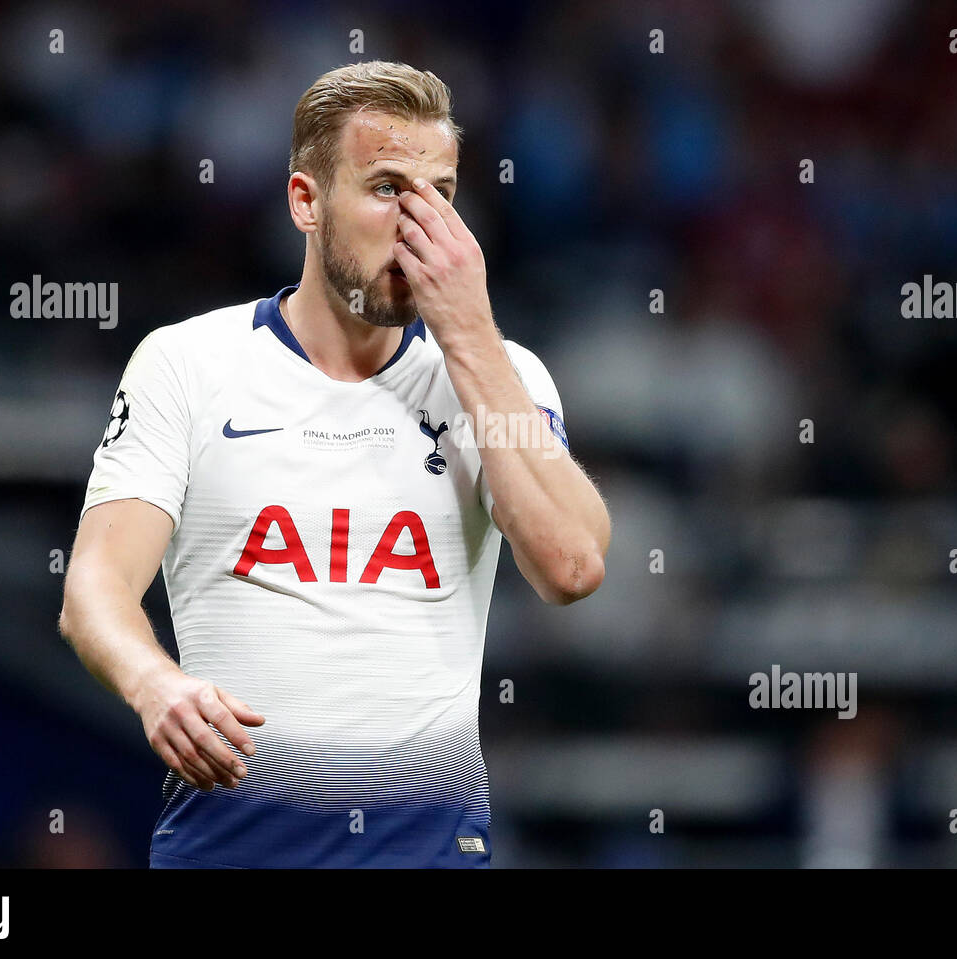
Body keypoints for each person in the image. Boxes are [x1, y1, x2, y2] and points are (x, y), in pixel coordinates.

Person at [58, 60, 610, 868]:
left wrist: (468, 337)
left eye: (442, 195)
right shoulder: (187, 364)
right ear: (305, 202)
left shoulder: (502, 375)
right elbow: (93, 591)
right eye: (388, 187)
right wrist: (155, 683)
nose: (421, 224)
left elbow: (573, 565)